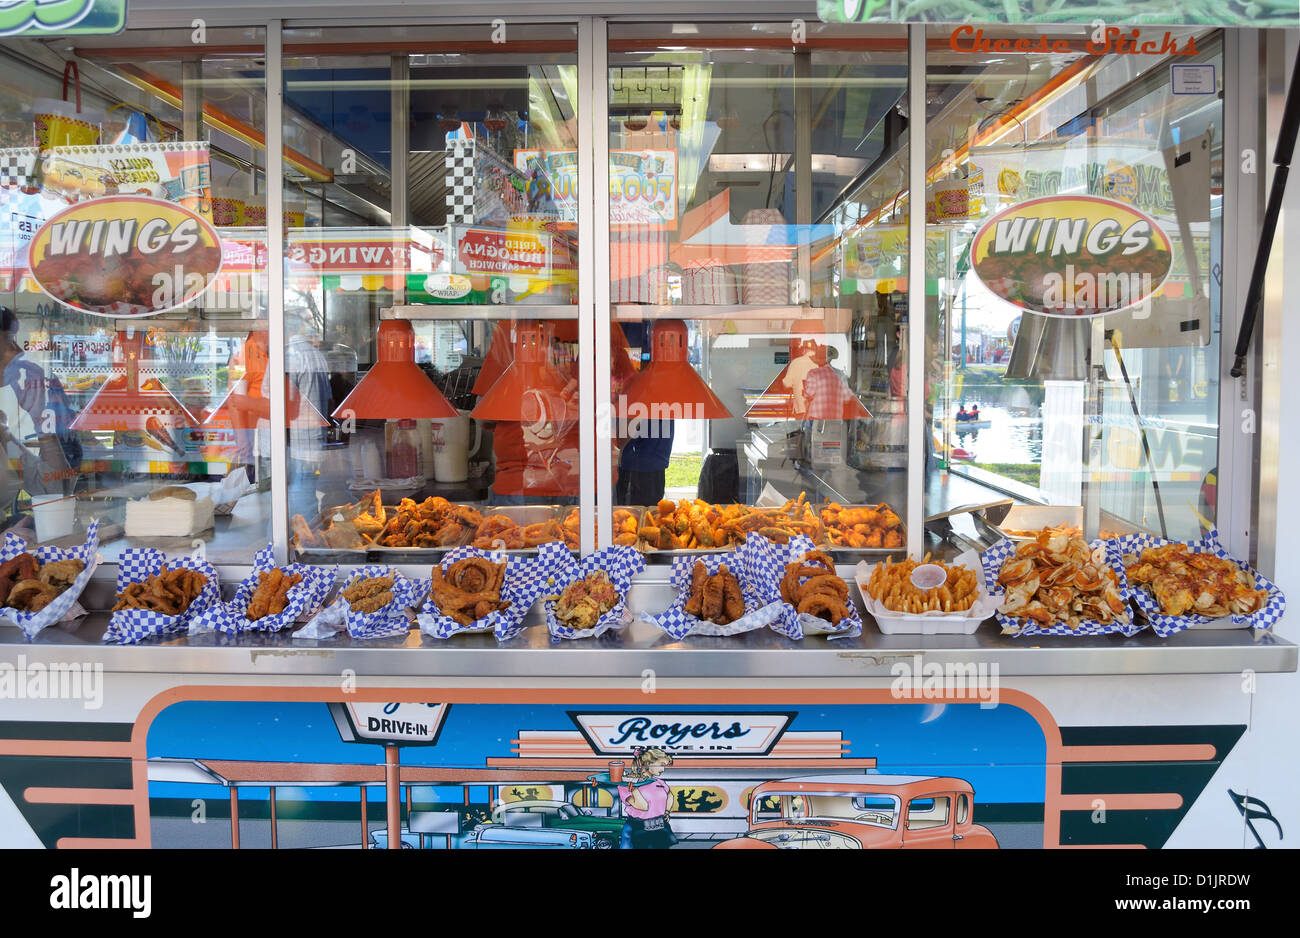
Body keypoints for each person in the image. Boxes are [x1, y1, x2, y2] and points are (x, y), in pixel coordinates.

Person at [616, 746, 676, 849]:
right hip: (638, 828)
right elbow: (642, 806)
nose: (663, 769)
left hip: (660, 827)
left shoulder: (659, 782)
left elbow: (670, 795)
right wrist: (634, 787)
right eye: (661, 765)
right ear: (648, 764)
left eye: (664, 766)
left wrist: (666, 811)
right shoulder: (625, 784)